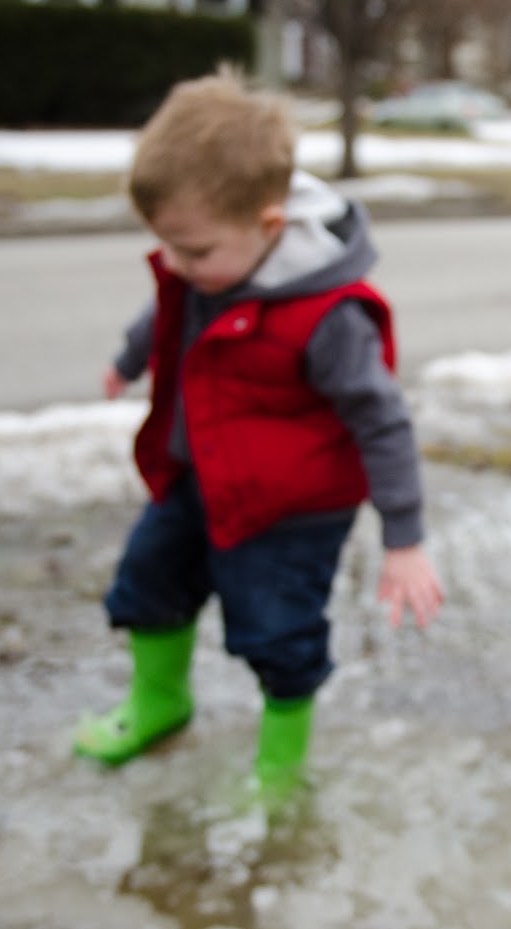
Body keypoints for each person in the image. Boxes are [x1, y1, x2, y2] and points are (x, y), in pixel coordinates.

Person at [73, 72, 443, 801]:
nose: (176, 266)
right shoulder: (209, 266)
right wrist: (129, 357)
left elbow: (383, 420)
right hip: (195, 480)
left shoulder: (330, 316)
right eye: (166, 247)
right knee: (147, 586)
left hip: (291, 512)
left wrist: (404, 538)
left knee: (278, 633)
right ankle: (159, 701)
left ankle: (279, 768)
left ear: (271, 226)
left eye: (194, 251)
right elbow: (169, 311)